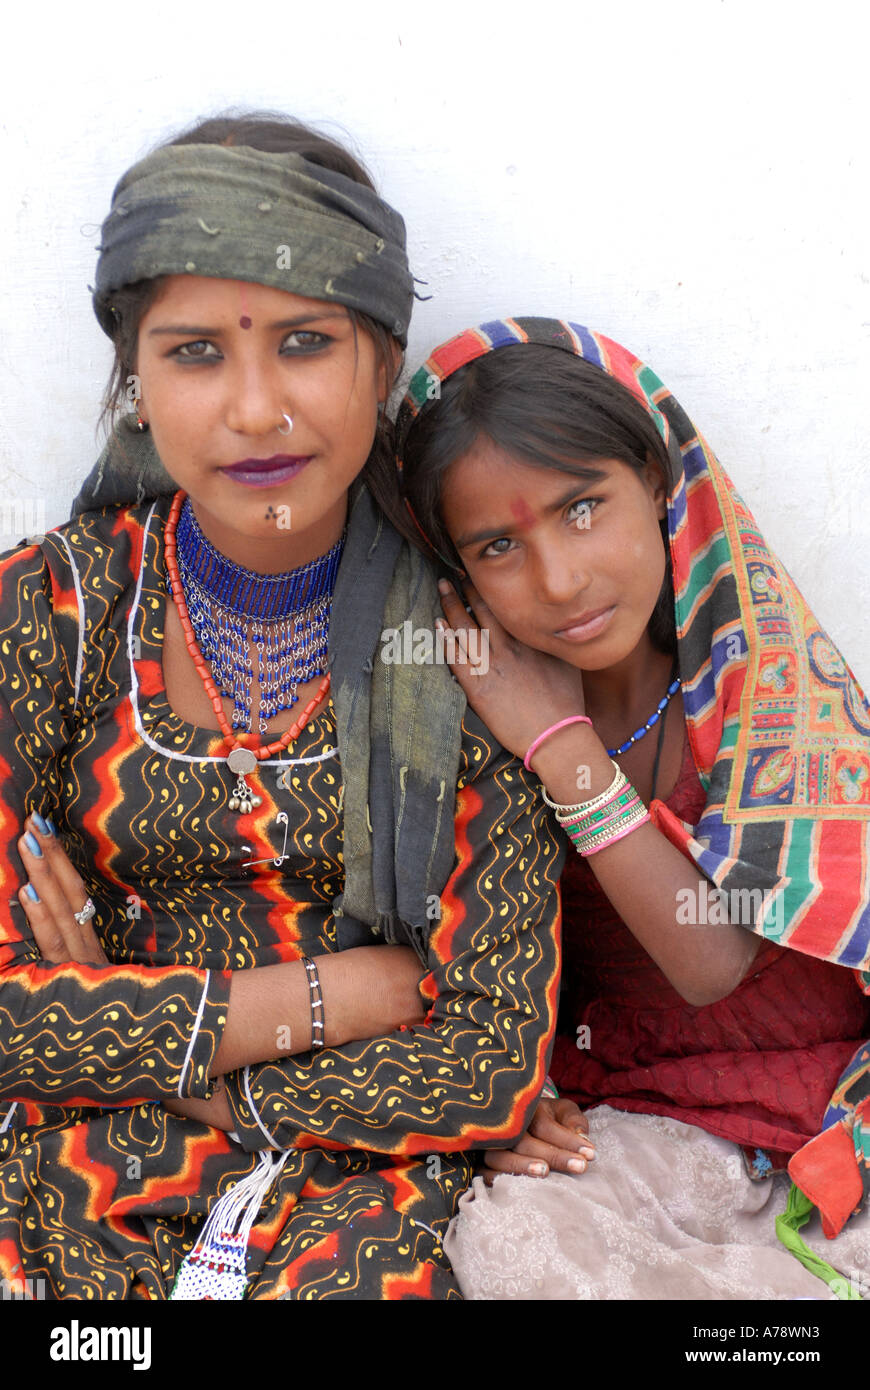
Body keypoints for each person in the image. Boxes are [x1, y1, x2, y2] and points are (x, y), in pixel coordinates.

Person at [0, 129, 563, 1301]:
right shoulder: (51, 610)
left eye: (306, 343)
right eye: (196, 352)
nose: (257, 409)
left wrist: (146, 1038)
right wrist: (323, 997)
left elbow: (491, 1062)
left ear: (383, 363)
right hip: (67, 1173)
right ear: (137, 385)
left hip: (369, 1195)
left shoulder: (462, 635)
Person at [395, 316, 870, 1299]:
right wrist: (504, 1091)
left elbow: (711, 961)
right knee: (513, 1241)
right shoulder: (467, 728)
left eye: (581, 507)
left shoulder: (761, 684)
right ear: (457, 571)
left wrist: (563, 748)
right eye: (497, 544)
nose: (559, 579)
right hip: (633, 1124)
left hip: (831, 1102)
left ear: (658, 482)